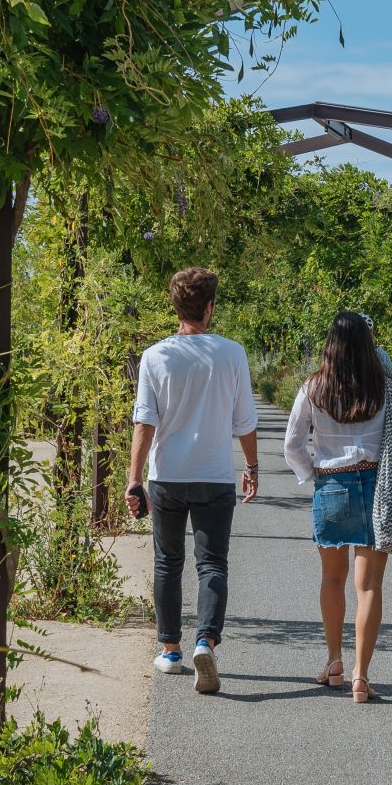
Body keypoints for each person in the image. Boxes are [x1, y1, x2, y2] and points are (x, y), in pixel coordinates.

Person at [125, 267, 259, 695]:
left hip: (167, 477)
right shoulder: (232, 353)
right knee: (212, 563)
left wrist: (134, 481)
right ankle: (206, 640)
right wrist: (252, 467)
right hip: (215, 476)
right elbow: (244, 421)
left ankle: (170, 650)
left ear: (176, 306)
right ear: (209, 308)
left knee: (168, 562)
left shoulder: (155, 356)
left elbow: (144, 423)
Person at [282, 311, 392, 704]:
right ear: (367, 343)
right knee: (370, 587)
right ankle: (362, 677)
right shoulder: (386, 389)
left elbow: (292, 446)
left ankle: (334, 663)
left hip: (332, 486)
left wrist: (314, 476)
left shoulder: (313, 387)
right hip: (377, 485)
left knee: (332, 579)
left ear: (330, 344)